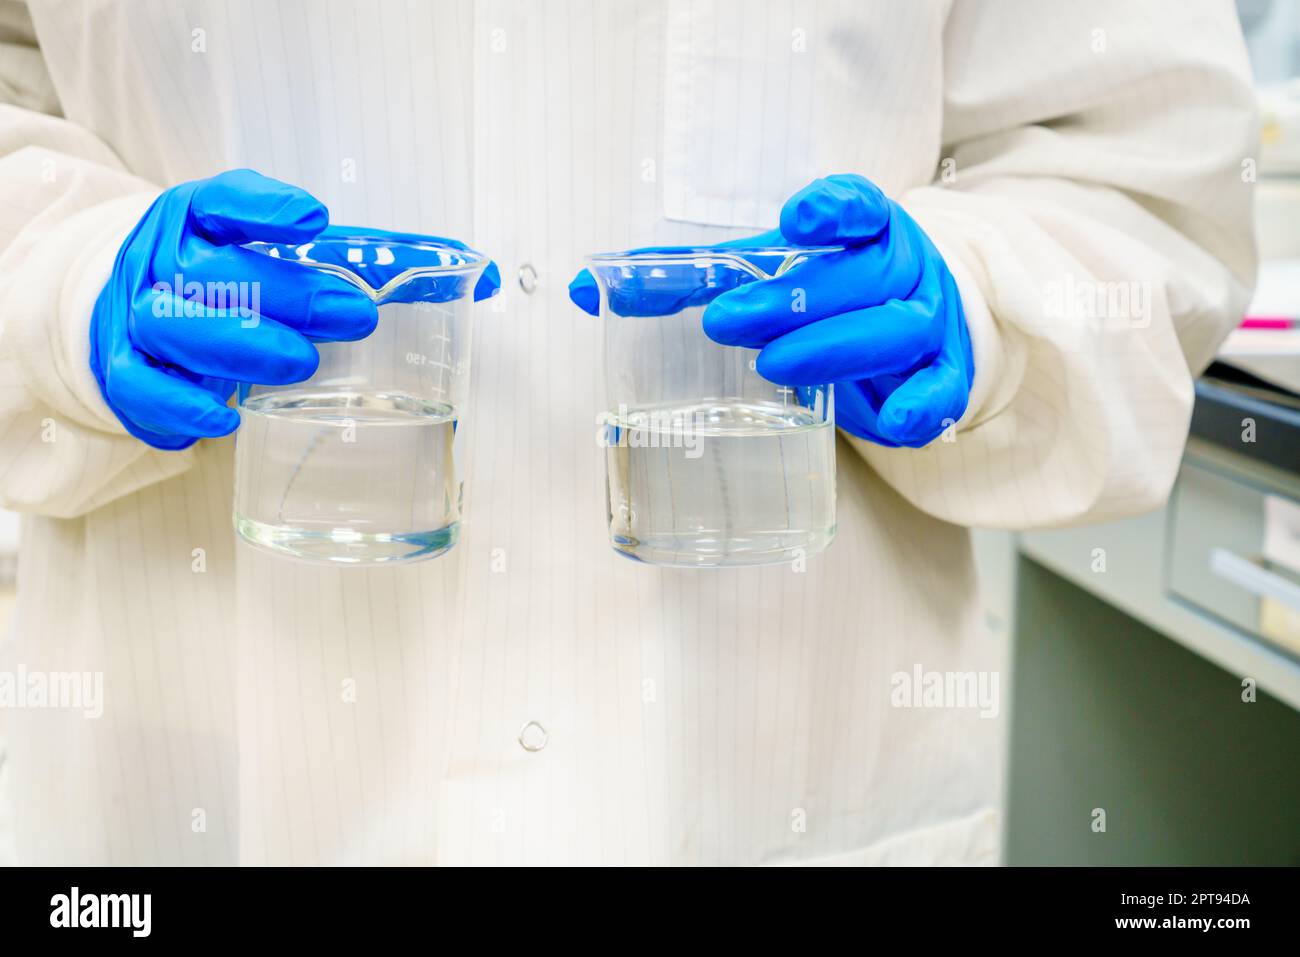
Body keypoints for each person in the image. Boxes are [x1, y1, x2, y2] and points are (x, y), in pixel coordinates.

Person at [0, 0, 1256, 865]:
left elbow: (1141, 179)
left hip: (780, 773)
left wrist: (977, 301)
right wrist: (67, 296)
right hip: (191, 788)